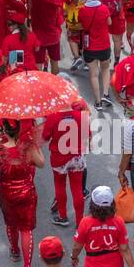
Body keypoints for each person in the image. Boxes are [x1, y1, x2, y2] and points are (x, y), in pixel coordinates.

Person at [0, 119, 44, 267]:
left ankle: (14, 251)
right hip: (27, 191)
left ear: (4, 130)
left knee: (11, 223)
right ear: (20, 128)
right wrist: (37, 148)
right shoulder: (27, 147)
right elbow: (41, 163)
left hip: (6, 192)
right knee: (26, 229)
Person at [43, 97, 89, 227]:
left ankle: (63, 216)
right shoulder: (82, 115)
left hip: (59, 158)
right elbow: (87, 136)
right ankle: (80, 221)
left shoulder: (53, 117)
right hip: (76, 157)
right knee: (77, 189)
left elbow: (45, 136)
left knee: (60, 186)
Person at [78, 0, 113, 109]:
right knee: (105, 70)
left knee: (93, 74)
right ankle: (105, 94)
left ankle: (97, 102)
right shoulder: (104, 8)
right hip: (104, 45)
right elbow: (109, 22)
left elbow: (81, 25)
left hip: (89, 47)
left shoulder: (82, 9)